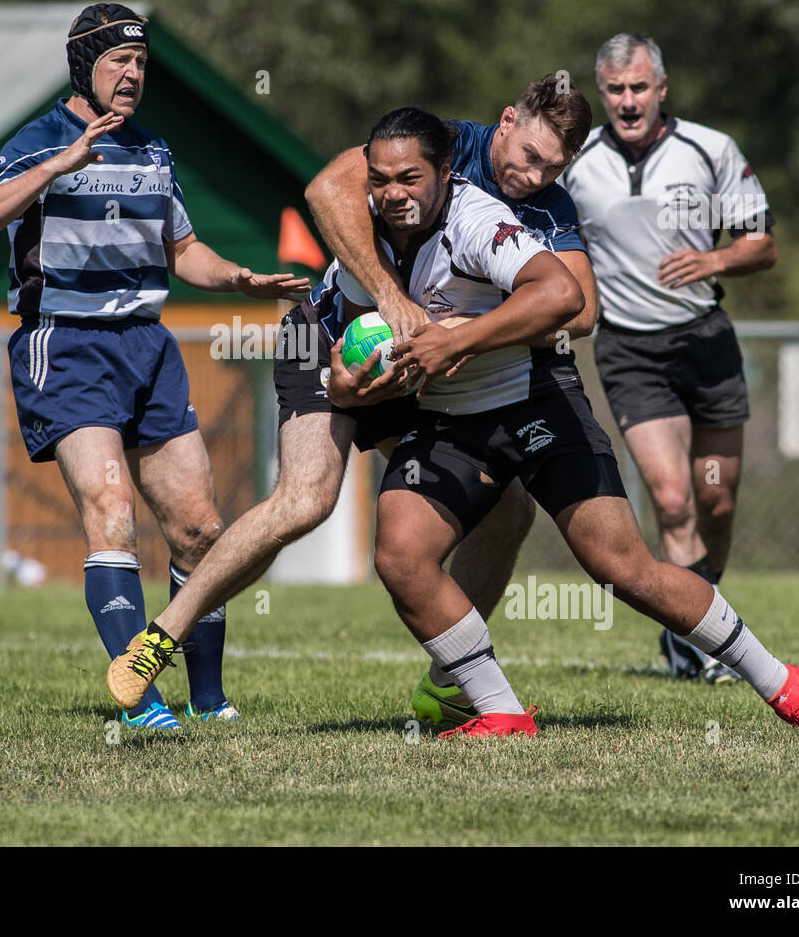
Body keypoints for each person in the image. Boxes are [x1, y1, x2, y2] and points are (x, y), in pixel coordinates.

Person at [106, 75, 598, 728]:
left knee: (506, 510)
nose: (535, 177)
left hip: (410, 371)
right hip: (326, 341)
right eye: (530, 157)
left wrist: (455, 337)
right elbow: (325, 189)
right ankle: (159, 640)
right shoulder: (434, 148)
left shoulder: (544, 209)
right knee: (304, 500)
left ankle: (454, 682)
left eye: (553, 168)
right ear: (505, 122)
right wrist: (392, 300)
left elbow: (581, 309)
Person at [369, 108, 799, 737]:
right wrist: (352, 376)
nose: (394, 193)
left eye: (410, 177)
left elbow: (567, 298)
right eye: (380, 179)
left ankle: (786, 686)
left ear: (443, 171)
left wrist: (458, 342)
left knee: (623, 569)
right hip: (452, 419)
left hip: (535, 401)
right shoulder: (367, 229)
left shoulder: (477, 218)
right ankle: (501, 712)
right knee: (401, 556)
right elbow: (357, 319)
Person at [0, 4, 307, 730]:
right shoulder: (42, 139)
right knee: (111, 513)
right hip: (67, 345)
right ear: (85, 66)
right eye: (120, 62)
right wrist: (57, 166)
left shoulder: (154, 151)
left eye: (141, 64)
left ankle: (207, 699)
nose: (134, 75)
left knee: (201, 530)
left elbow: (182, 252)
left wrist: (238, 278)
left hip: (148, 346)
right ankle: (140, 703)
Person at [561, 33, 777, 682]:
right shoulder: (578, 161)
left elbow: (761, 244)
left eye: (639, 88)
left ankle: (702, 613)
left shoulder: (709, 149)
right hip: (629, 350)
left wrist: (713, 260)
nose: (628, 102)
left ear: (662, 89)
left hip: (706, 339)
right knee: (675, 499)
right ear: (602, 95)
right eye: (616, 91)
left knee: (716, 501)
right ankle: (702, 646)